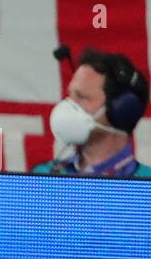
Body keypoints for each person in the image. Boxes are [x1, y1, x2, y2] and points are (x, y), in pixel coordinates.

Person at [31, 48, 151, 177]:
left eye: (81, 97)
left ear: (121, 111)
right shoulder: (42, 176)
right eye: (69, 95)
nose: (67, 105)